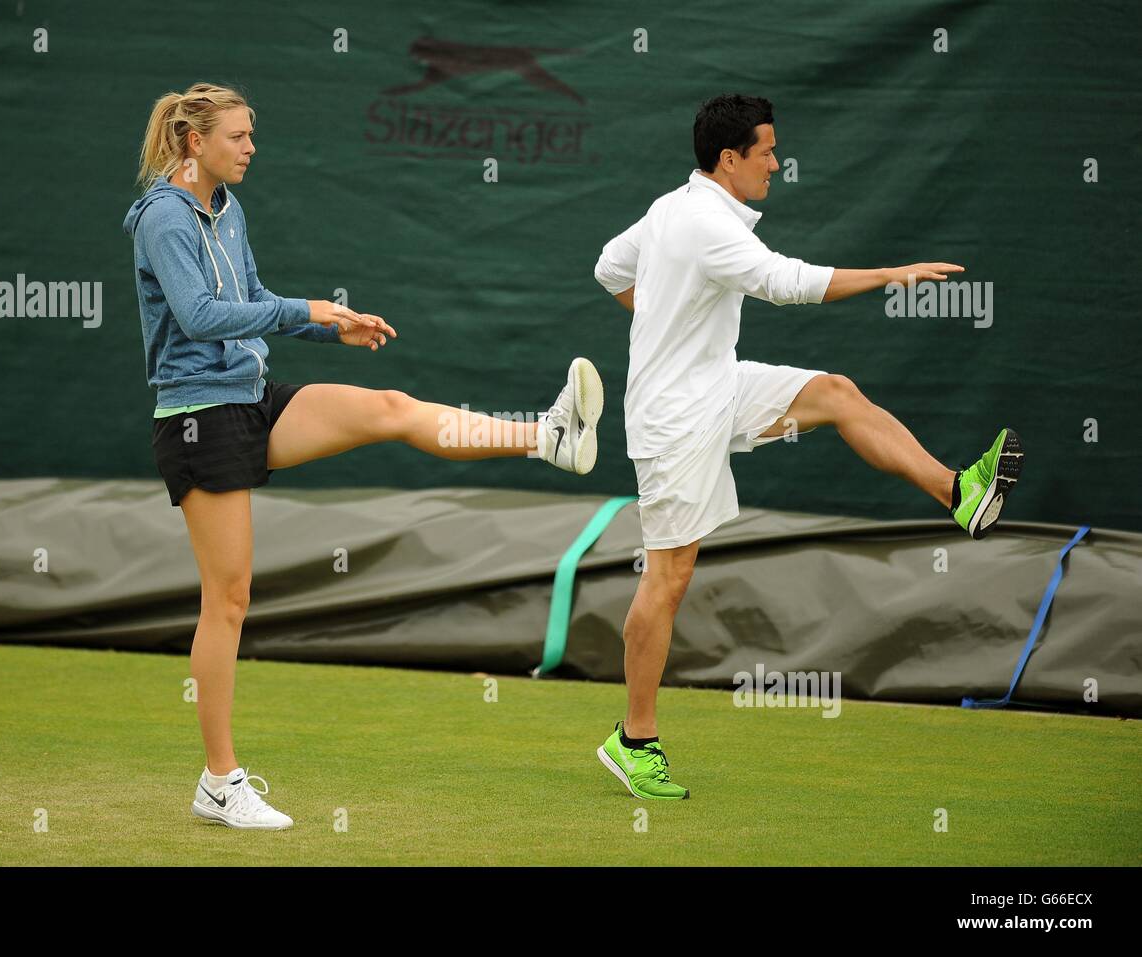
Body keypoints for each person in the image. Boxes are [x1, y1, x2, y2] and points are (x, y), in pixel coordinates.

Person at [123, 82, 604, 829]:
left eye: (253, 134)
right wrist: (301, 311)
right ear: (196, 142)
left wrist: (329, 326)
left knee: (388, 409)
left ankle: (548, 436)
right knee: (230, 599)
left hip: (252, 397)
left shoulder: (229, 210)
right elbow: (199, 316)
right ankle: (219, 781)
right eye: (239, 136)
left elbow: (251, 295)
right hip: (197, 419)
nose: (252, 147)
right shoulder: (161, 216)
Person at [591, 93, 1023, 801]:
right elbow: (785, 283)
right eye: (765, 149)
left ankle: (959, 491)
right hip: (673, 419)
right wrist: (888, 276)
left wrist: (663, 323)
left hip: (716, 385)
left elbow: (611, 269)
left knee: (835, 392)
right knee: (668, 577)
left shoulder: (672, 208)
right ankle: (634, 739)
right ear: (729, 158)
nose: (776, 160)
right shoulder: (699, 218)